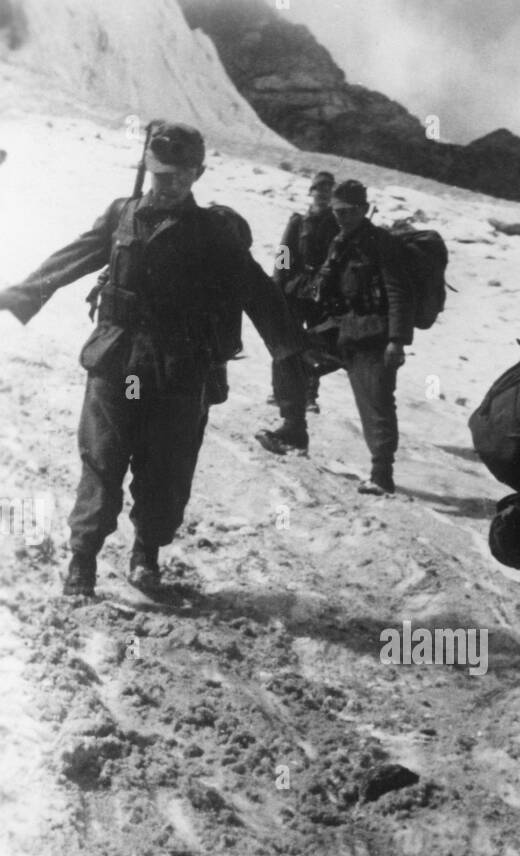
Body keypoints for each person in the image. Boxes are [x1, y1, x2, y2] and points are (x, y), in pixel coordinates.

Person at [0, 120, 304, 597]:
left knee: (167, 467)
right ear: (147, 165)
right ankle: (83, 559)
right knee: (101, 460)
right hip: (116, 359)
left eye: (181, 177)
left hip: (179, 368)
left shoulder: (213, 232)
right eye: (162, 176)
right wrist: (18, 294)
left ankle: (147, 552)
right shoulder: (121, 215)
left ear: (198, 174)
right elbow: (73, 257)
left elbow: (258, 291)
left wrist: (288, 351)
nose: (170, 186)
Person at [257, 178, 414, 495]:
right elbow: (286, 257)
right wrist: (280, 287)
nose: (342, 216)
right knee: (289, 355)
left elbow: (399, 293)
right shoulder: (312, 229)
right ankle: (293, 430)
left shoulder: (381, 243)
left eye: (350, 211)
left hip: (371, 335)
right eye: (338, 210)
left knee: (375, 403)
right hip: (333, 324)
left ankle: (382, 474)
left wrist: (397, 339)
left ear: (365, 209)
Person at [267, 169, 339, 423]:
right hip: (296, 289)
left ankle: (309, 397)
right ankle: (279, 391)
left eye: (328, 190)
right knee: (288, 341)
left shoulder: (338, 224)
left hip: (323, 292)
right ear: (311, 192)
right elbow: (285, 253)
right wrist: (277, 284)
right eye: (319, 189)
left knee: (317, 344)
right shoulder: (298, 221)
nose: (323, 194)